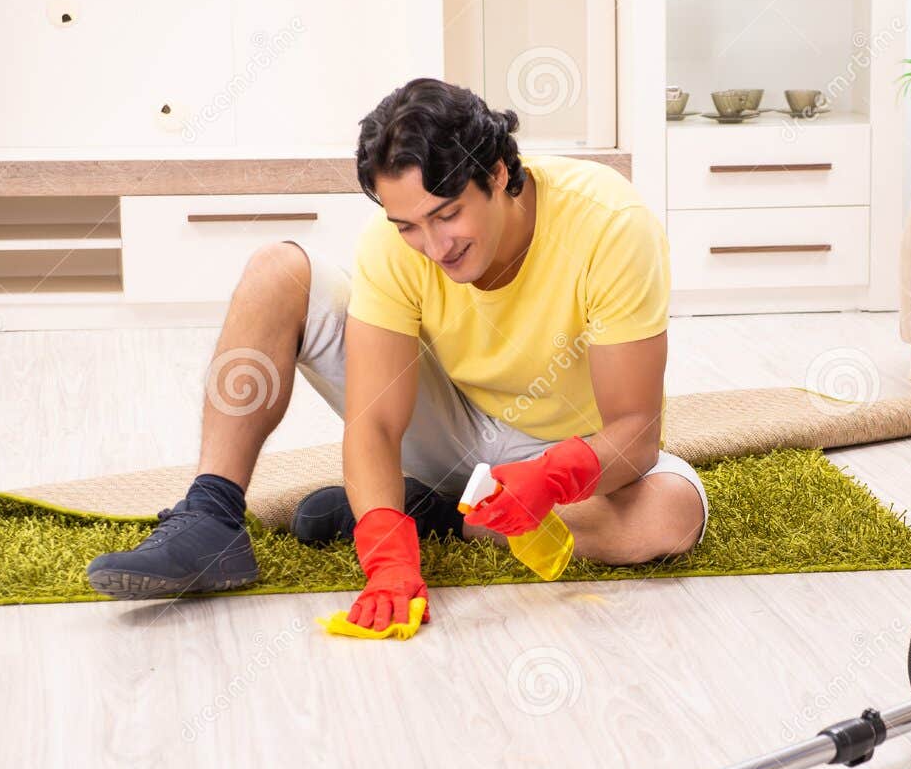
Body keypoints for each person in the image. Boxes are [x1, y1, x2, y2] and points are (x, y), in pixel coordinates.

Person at [86, 78, 707, 630]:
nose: (433, 246)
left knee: (669, 518)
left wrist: (552, 476)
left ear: (496, 174)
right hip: (448, 428)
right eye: (408, 224)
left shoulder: (610, 225)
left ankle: (439, 514)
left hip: (570, 450)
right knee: (277, 270)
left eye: (447, 215)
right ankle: (212, 516)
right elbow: (377, 423)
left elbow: (636, 432)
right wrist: (384, 552)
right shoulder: (394, 245)